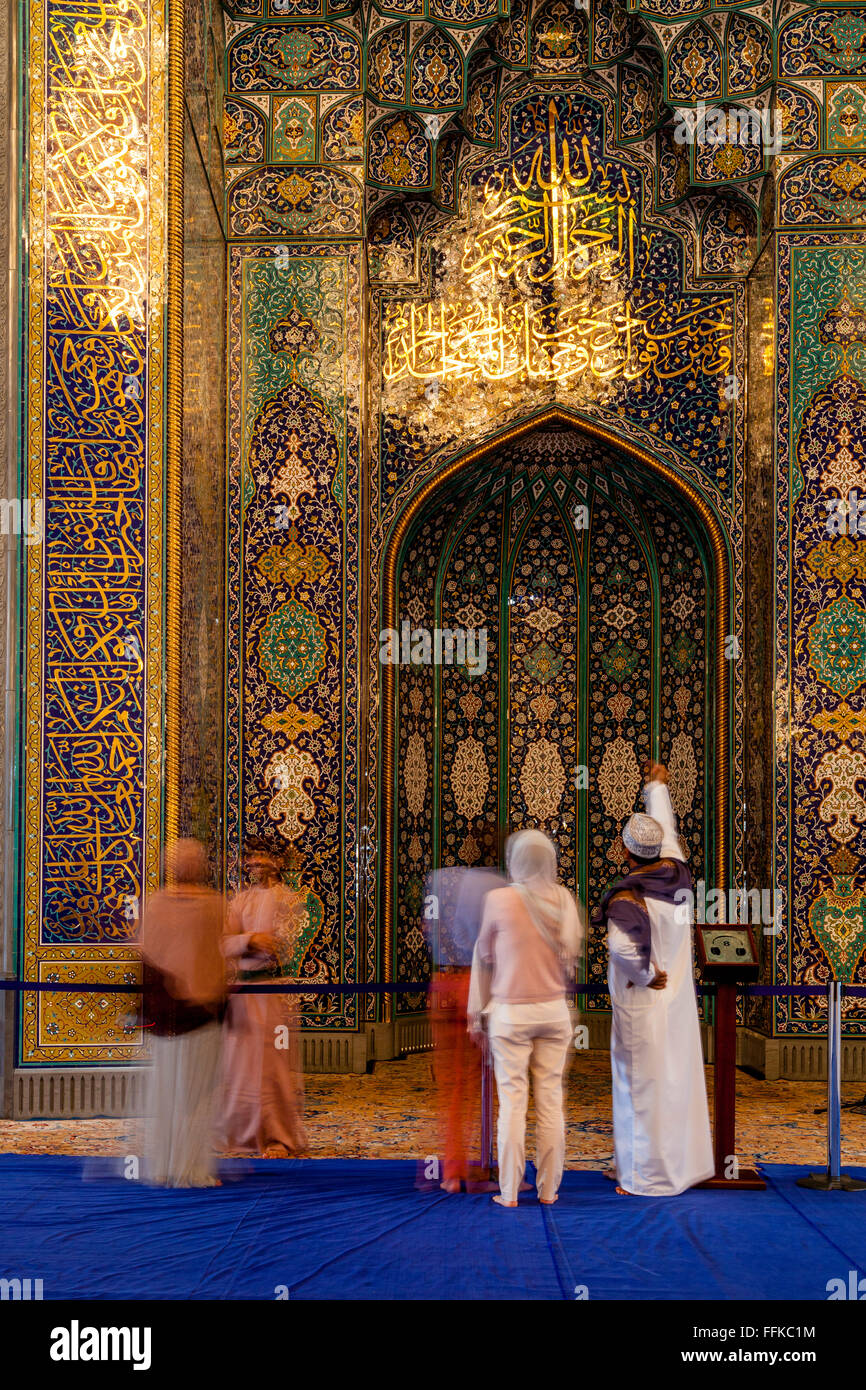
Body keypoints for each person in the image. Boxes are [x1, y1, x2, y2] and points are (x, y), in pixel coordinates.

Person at [594, 761, 714, 1196]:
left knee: (638, 1085)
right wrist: (656, 787)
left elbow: (622, 949)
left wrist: (645, 975)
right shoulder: (678, 874)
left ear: (624, 851)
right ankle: (674, 1166)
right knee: (673, 1082)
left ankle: (643, 1177)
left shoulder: (629, 894)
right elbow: (668, 831)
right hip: (679, 1000)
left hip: (645, 1001)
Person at [468, 829, 584, 1208]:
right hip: (553, 1012)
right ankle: (550, 1190)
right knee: (551, 1102)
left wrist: (476, 1013)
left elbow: (484, 954)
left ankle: (508, 1192)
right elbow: (572, 955)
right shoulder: (564, 899)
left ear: (515, 860)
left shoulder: (499, 899)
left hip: (510, 1016)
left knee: (513, 1104)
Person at [138, 838, 227, 1188]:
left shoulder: (157, 904)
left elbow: (147, 955)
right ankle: (190, 1170)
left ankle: (165, 1166)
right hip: (200, 1012)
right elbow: (221, 959)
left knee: (169, 1091)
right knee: (197, 1095)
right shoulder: (214, 905)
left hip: (170, 1014)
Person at [426, 829, 506, 1193]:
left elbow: (438, 932)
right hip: (480, 986)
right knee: (489, 1080)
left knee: (452, 1085)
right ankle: (489, 1167)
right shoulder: (503, 888)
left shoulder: (438, 881)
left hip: (442, 983)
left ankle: (452, 1171)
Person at [218, 838, 308, 1159]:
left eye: (262, 857)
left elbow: (279, 945)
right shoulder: (240, 900)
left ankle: (277, 1138)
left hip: (273, 996)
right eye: (251, 857)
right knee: (239, 1068)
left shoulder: (288, 900)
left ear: (276, 861)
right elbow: (223, 944)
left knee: (272, 1070)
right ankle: (242, 1137)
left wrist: (248, 942)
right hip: (242, 995)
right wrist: (248, 941)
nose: (256, 863)